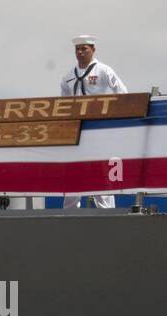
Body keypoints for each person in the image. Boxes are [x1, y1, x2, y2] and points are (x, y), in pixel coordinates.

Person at [62, 36, 128, 209]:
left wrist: (112, 114)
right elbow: (63, 104)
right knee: (74, 168)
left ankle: (106, 209)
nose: (80, 52)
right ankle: (69, 210)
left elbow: (122, 93)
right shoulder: (68, 76)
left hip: (99, 127)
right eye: (78, 49)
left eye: (84, 48)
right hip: (77, 128)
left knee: (101, 167)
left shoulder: (103, 70)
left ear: (93, 49)